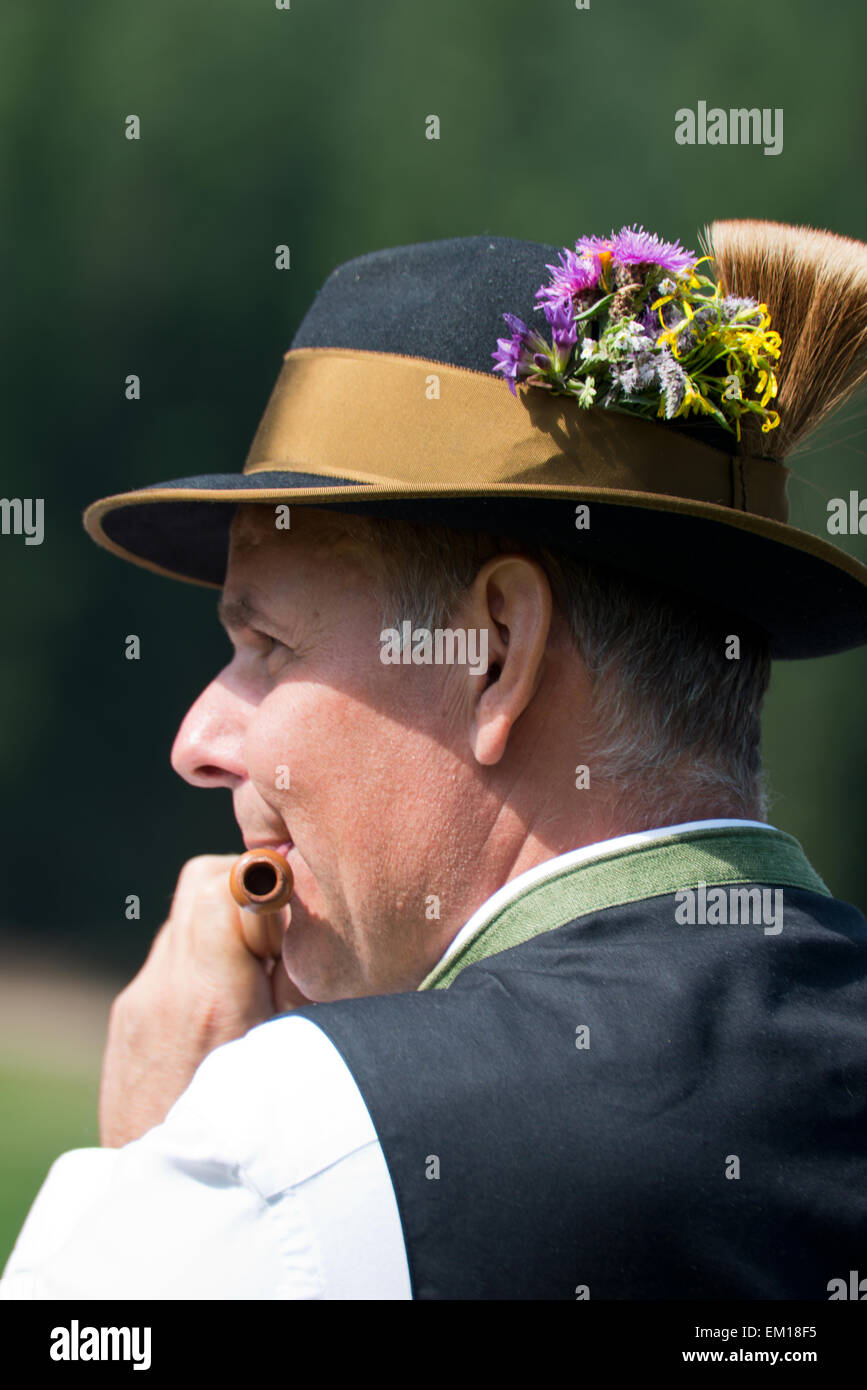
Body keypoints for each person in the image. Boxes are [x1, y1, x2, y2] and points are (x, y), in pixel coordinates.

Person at [2, 222, 866, 1300]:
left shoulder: (304, 1147)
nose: (198, 744)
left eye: (267, 645)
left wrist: (154, 1173)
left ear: (493, 651)